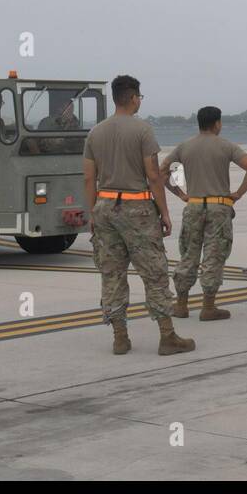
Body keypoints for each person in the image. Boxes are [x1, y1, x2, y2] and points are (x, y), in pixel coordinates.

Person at [82, 74, 194, 357]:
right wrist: (165, 212)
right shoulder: (143, 130)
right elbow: (154, 176)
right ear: (133, 97)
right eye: (139, 97)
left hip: (105, 207)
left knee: (112, 273)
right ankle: (167, 336)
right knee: (154, 272)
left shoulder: (95, 133)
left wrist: (92, 213)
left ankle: (120, 337)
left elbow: (88, 179)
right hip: (137, 209)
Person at [161, 106, 247, 320]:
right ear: (217, 123)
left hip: (193, 205)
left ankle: (181, 305)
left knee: (189, 255)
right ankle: (208, 306)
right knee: (214, 256)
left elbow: (164, 171)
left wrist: (180, 193)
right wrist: (238, 194)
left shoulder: (184, 147)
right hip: (219, 207)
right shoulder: (226, 146)